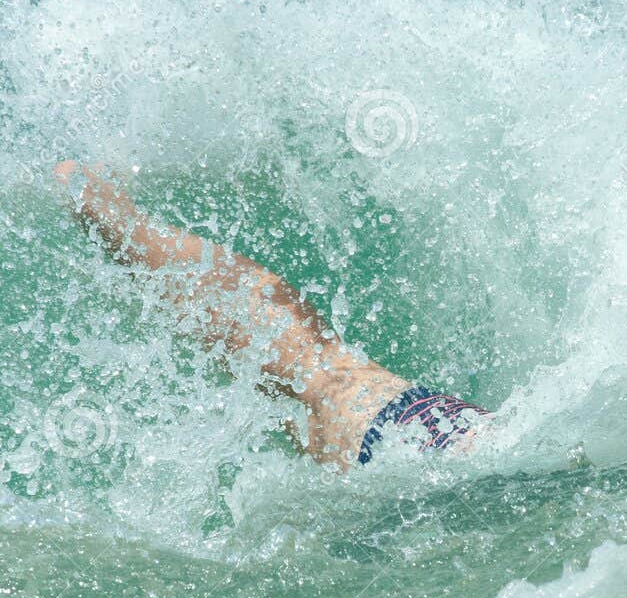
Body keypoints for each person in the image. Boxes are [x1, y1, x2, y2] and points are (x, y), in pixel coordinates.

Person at [53, 161, 490, 469]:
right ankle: (102, 207)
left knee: (321, 375)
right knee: (313, 383)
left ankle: (100, 205)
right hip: (417, 448)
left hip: (414, 437)